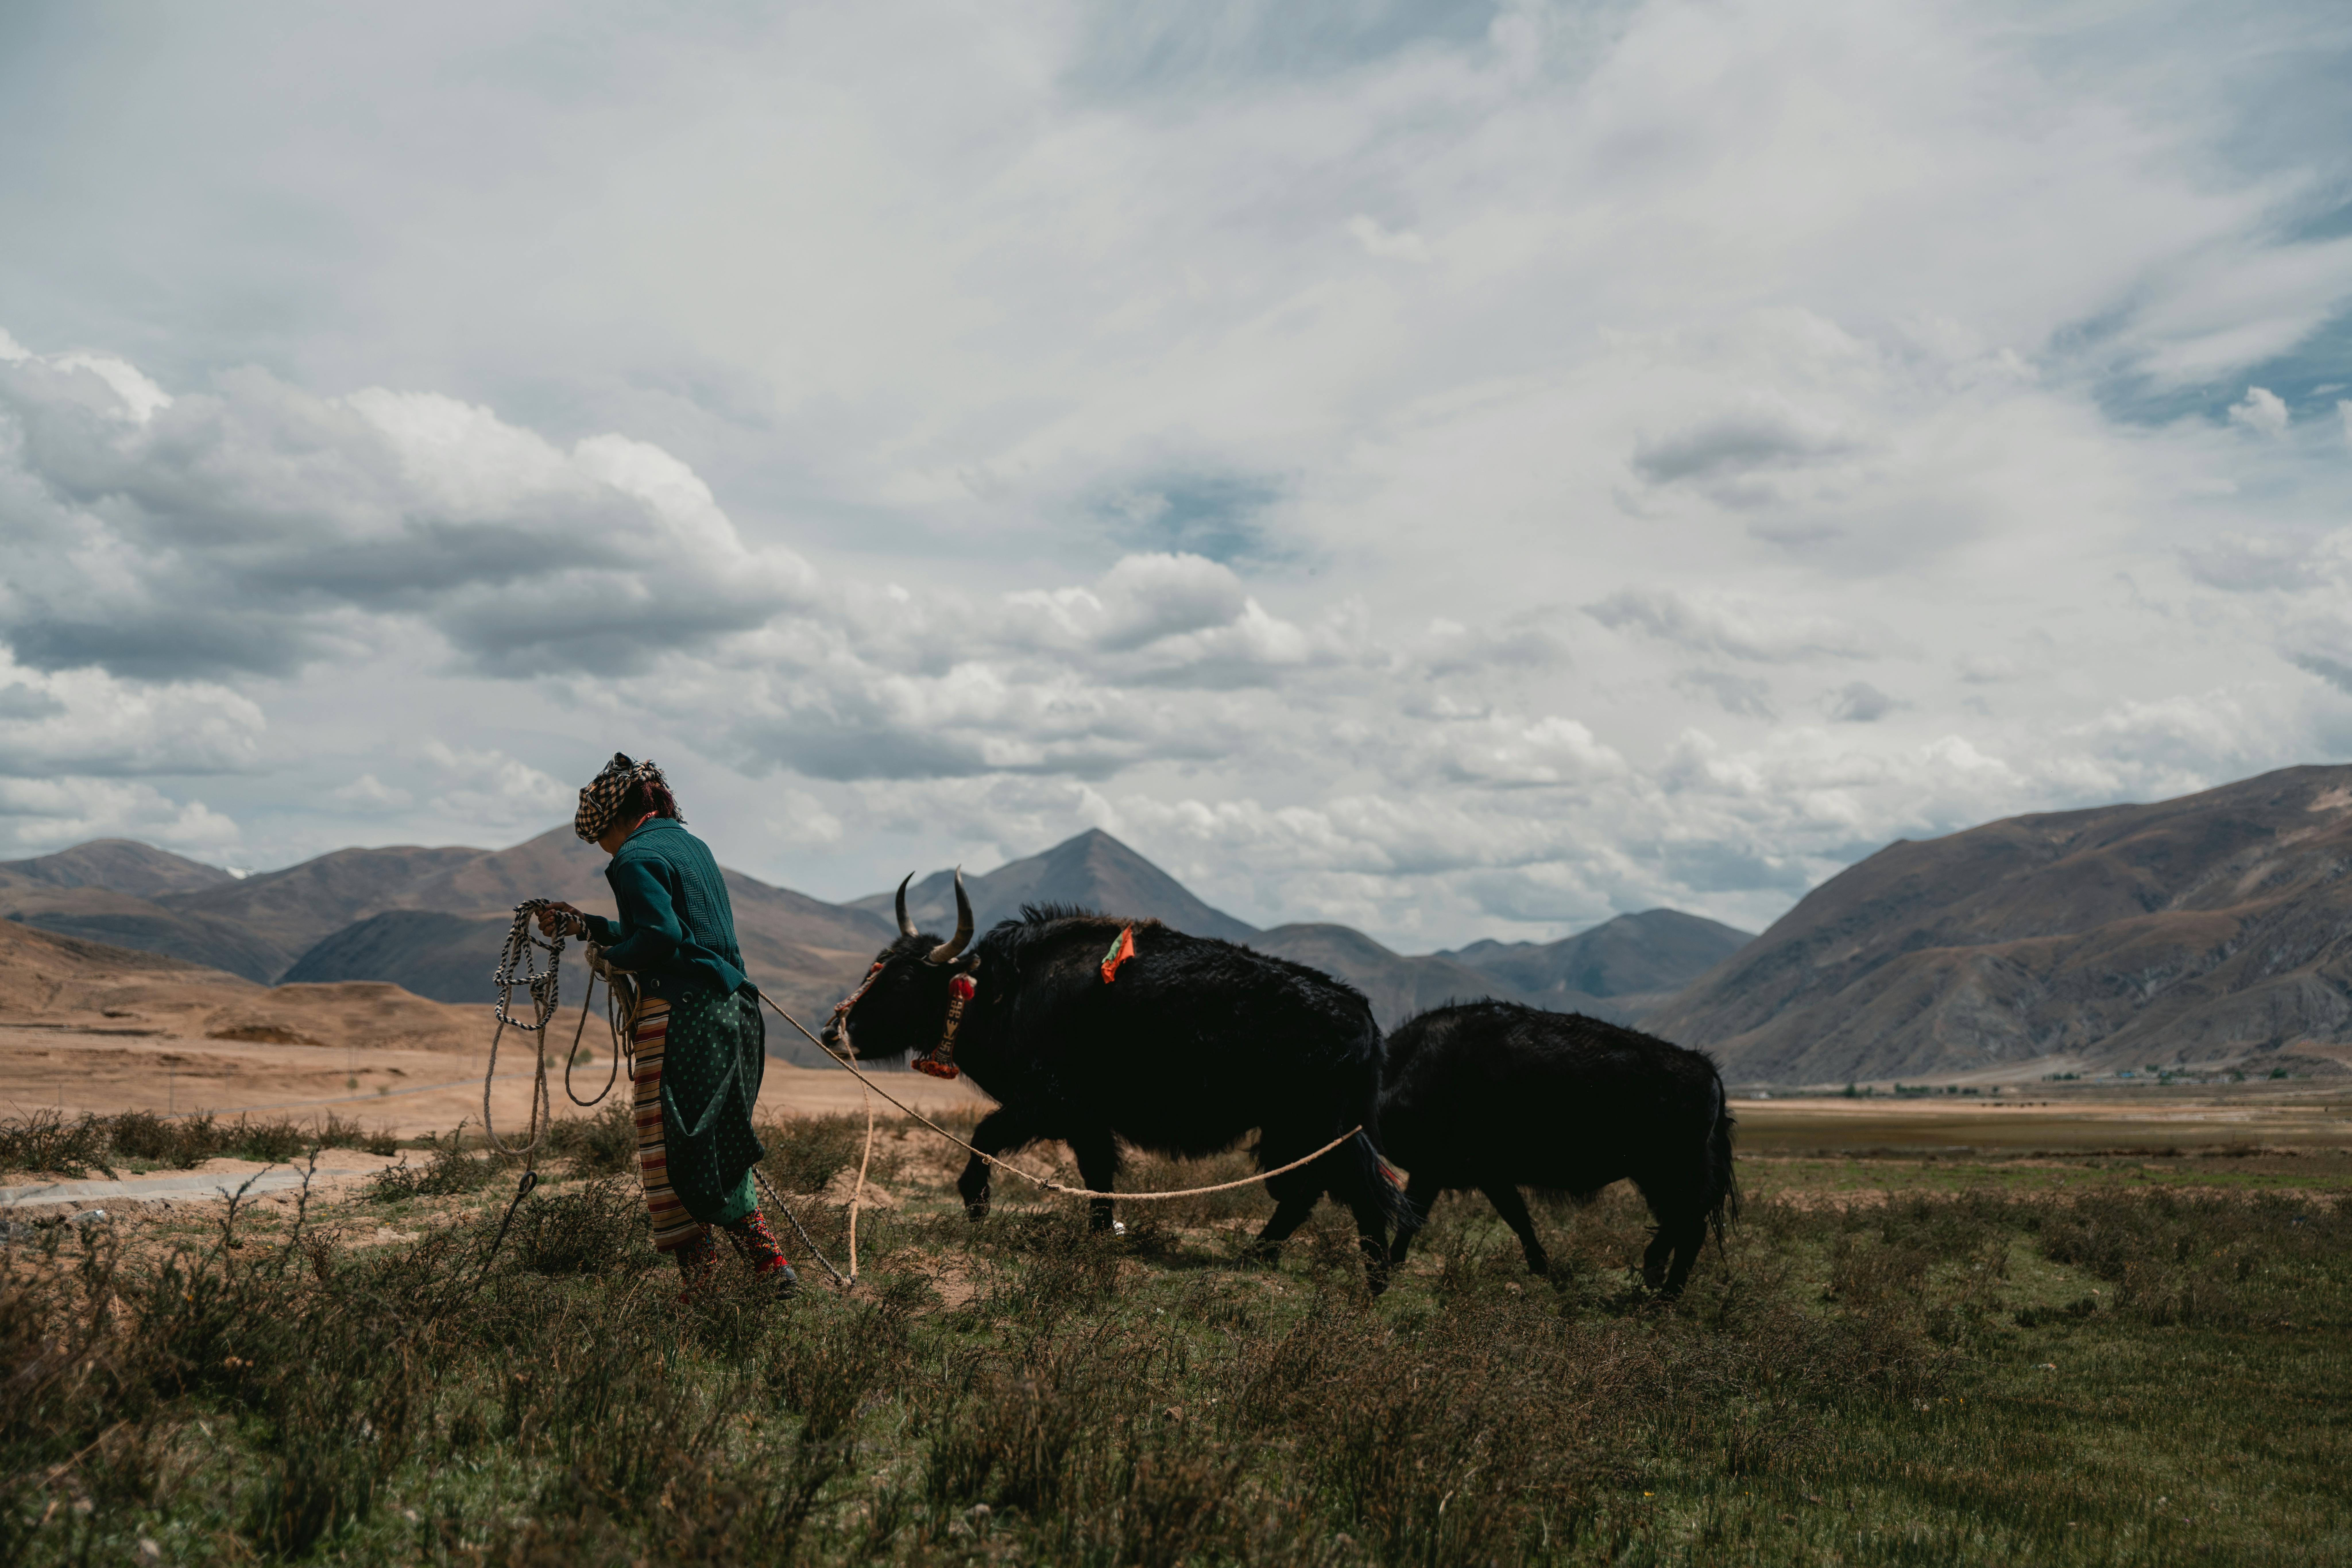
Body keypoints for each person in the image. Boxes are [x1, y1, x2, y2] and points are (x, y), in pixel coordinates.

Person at [536, 753, 797, 1297]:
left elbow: (661, 938)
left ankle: (703, 1278)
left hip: (684, 1014)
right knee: (717, 1136)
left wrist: (614, 958)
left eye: (600, 839)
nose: (603, 850)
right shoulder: (689, 846)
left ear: (613, 822)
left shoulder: (632, 858)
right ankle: (769, 1267)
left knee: (670, 1144)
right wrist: (589, 927)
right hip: (735, 1009)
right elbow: (667, 927)